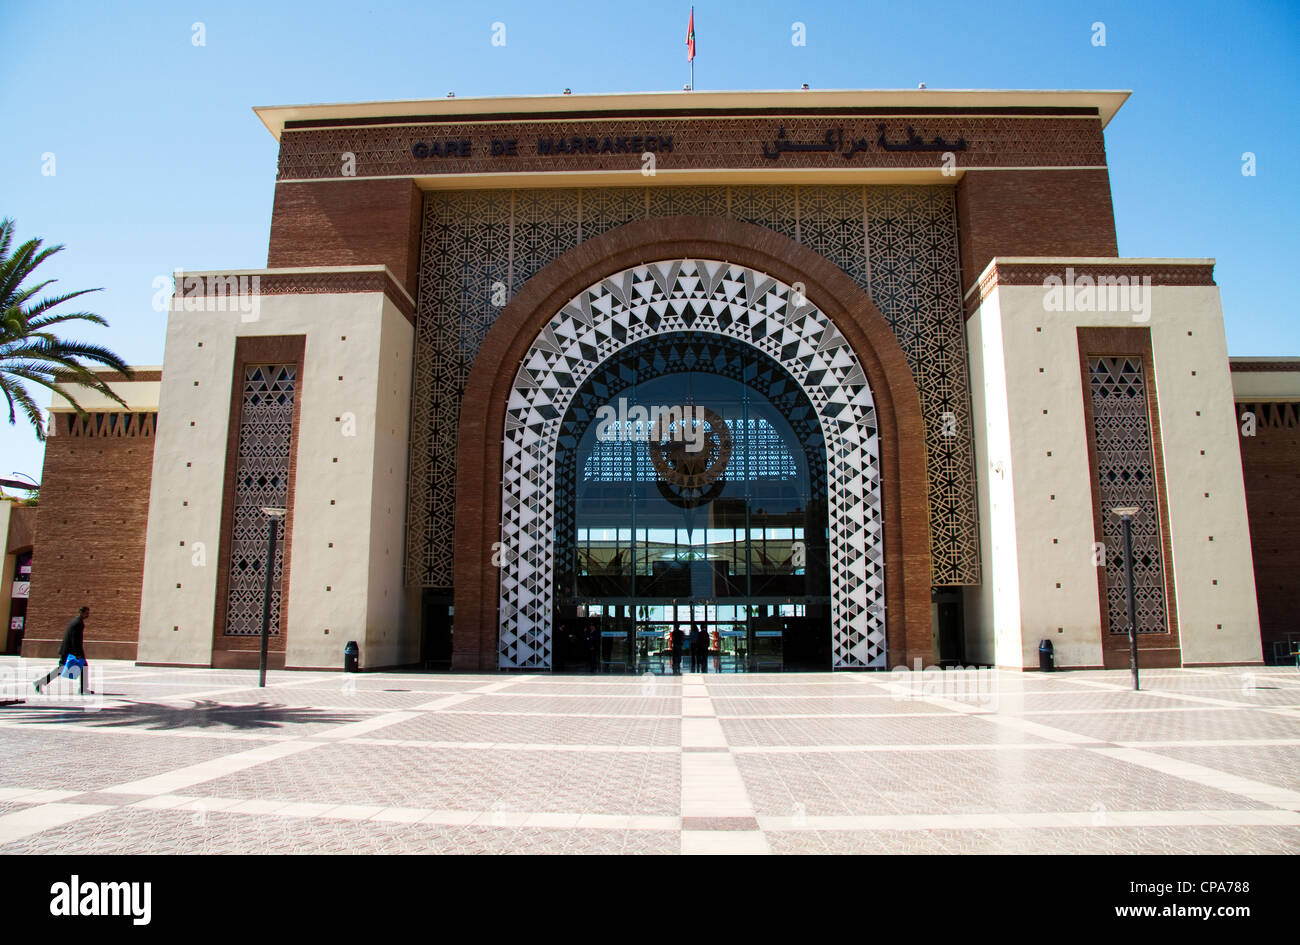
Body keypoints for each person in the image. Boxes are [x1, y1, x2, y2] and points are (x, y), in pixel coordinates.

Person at [33, 606, 92, 695]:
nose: (88, 614)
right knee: (68, 668)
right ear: (81, 612)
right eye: (87, 612)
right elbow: (75, 639)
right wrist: (77, 653)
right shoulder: (79, 623)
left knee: (68, 668)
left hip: (68, 650)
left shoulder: (75, 621)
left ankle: (83, 688)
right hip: (71, 651)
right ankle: (40, 683)